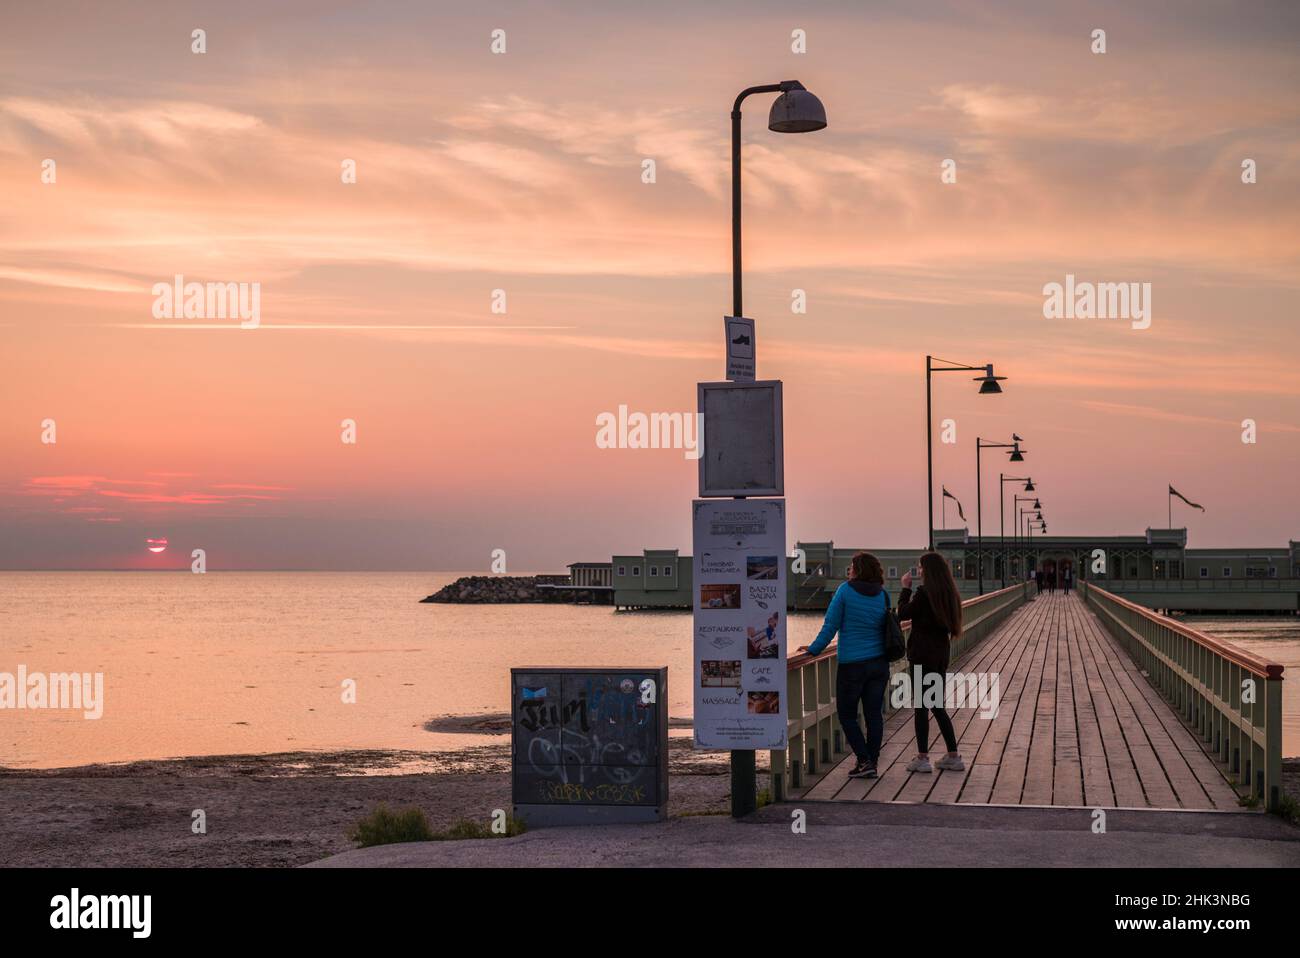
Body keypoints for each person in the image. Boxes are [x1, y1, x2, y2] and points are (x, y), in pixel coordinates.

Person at [799, 552, 890, 779]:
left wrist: (813, 650)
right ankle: (872, 762)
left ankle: (864, 759)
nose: (848, 570)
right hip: (879, 664)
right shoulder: (883, 595)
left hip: (853, 666)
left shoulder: (845, 591)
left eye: (851, 566)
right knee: (874, 715)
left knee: (847, 715)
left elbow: (830, 625)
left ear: (857, 569)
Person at [898, 553, 964, 773]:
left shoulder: (923, 594)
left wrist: (905, 588)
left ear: (929, 570)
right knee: (936, 705)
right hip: (939, 656)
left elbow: (902, 614)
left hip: (921, 656)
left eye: (921, 568)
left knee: (921, 706)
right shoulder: (949, 594)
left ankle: (923, 757)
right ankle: (953, 755)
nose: (919, 571)